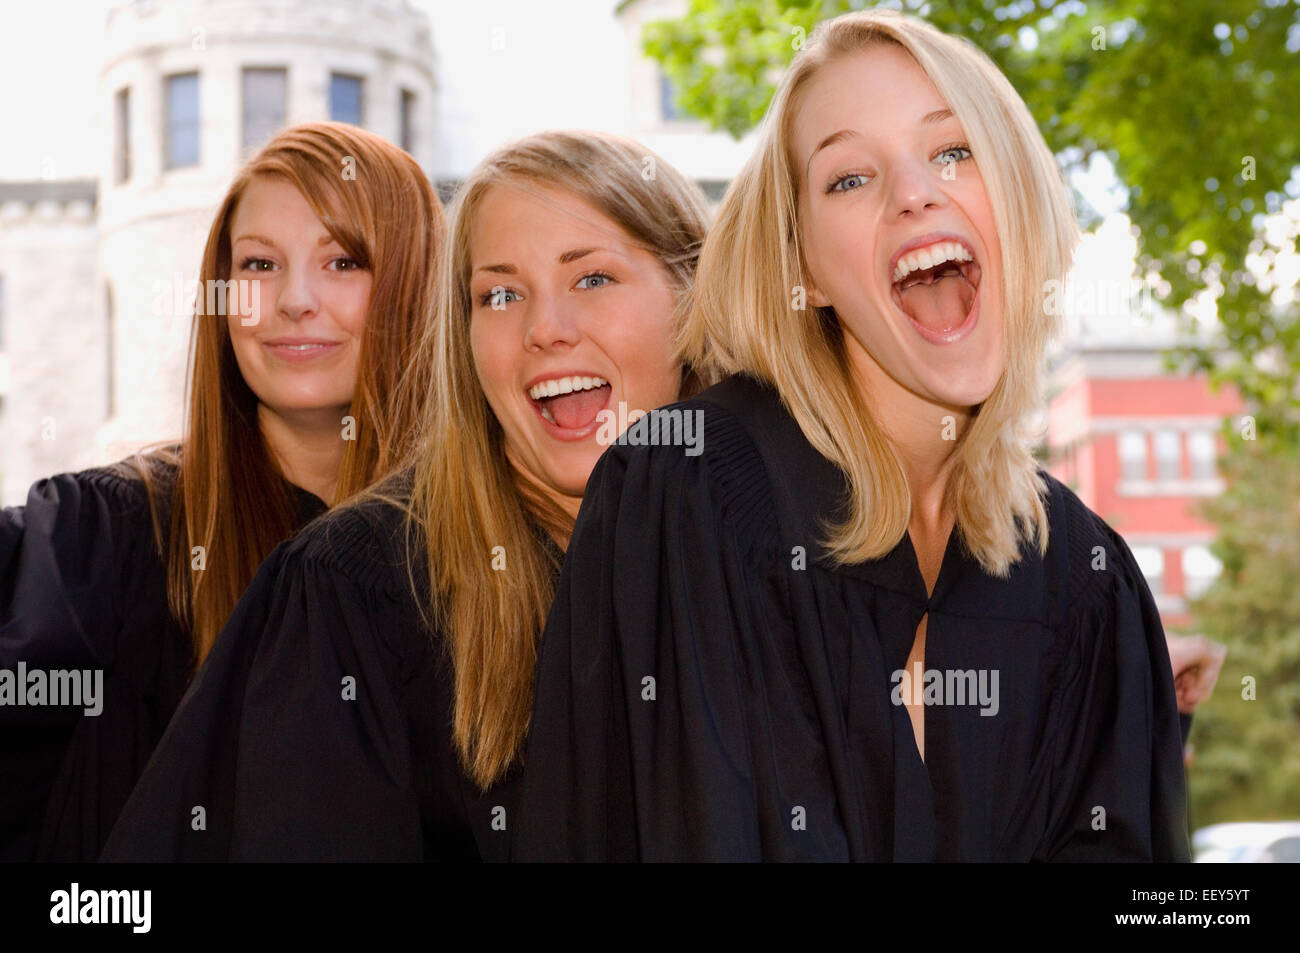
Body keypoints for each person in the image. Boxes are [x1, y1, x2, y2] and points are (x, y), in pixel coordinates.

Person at [513, 10, 1192, 861]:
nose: (915, 191)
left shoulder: (1091, 581)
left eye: (953, 151)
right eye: (848, 178)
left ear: (1017, 201)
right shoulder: (688, 492)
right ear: (804, 269)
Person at [101, 130, 713, 861]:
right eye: (501, 294)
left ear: (695, 296)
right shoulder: (355, 590)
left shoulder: (785, 562)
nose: (545, 329)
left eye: (592, 279)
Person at [0, 122, 443, 861]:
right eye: (260, 264)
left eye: (342, 261)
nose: (294, 299)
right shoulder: (107, 538)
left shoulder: (479, 553)